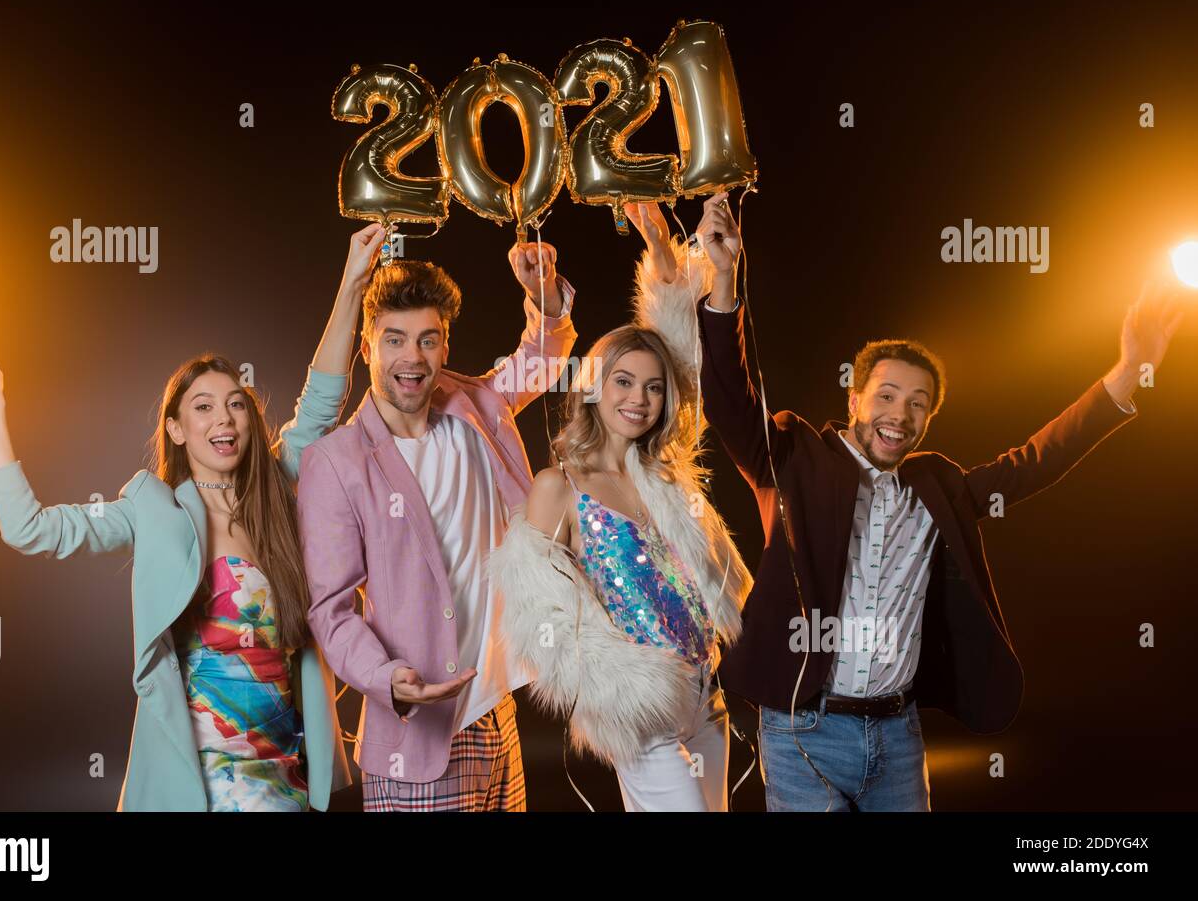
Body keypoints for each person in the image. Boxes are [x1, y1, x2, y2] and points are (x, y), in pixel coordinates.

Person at [631, 191, 1188, 811]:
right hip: (801, 732)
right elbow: (734, 397)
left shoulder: (938, 488)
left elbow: (1035, 462)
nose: (901, 414)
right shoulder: (792, 458)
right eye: (888, 395)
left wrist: (1129, 370)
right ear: (854, 400)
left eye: (918, 403)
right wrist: (726, 281)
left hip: (897, 736)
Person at [0, 223, 388, 810]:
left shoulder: (281, 491)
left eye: (236, 404)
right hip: (196, 783)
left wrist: (353, 282)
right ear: (178, 430)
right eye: (203, 407)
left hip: (281, 772)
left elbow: (320, 400)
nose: (225, 419)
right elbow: (30, 530)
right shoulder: (152, 508)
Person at [297, 242, 577, 811]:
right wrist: (387, 678)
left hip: (497, 715)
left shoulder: (475, 405)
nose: (413, 357)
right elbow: (330, 609)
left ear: (445, 343)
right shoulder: (337, 461)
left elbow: (543, 357)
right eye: (395, 339)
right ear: (368, 344)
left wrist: (542, 292)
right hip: (419, 734)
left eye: (428, 339)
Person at [488, 229, 753, 811]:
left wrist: (663, 249)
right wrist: (613, 689)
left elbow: (690, 364)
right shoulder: (559, 486)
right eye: (623, 381)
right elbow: (540, 619)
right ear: (594, 387)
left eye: (653, 388)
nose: (639, 399)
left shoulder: (661, 472)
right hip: (642, 709)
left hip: (705, 693)